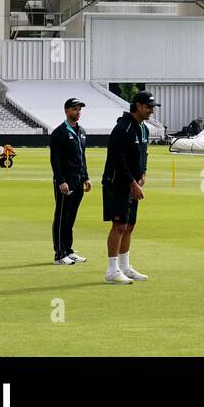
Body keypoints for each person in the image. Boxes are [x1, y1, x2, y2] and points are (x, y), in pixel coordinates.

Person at [101, 91, 156, 285]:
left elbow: (144, 155)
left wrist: (143, 175)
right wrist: (132, 183)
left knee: (130, 225)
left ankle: (125, 267)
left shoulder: (143, 129)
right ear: (138, 106)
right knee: (119, 225)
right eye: (149, 107)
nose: (151, 110)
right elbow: (118, 160)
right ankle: (111, 270)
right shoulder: (123, 128)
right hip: (117, 183)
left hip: (133, 183)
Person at [49, 98, 91, 265]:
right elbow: (55, 159)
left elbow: (82, 156)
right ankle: (59, 254)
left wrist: (86, 177)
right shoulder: (59, 132)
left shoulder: (81, 131)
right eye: (74, 109)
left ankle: (68, 250)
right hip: (65, 181)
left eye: (79, 109)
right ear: (66, 111)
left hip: (78, 180)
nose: (78, 112)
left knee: (71, 216)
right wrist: (61, 180)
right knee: (61, 216)